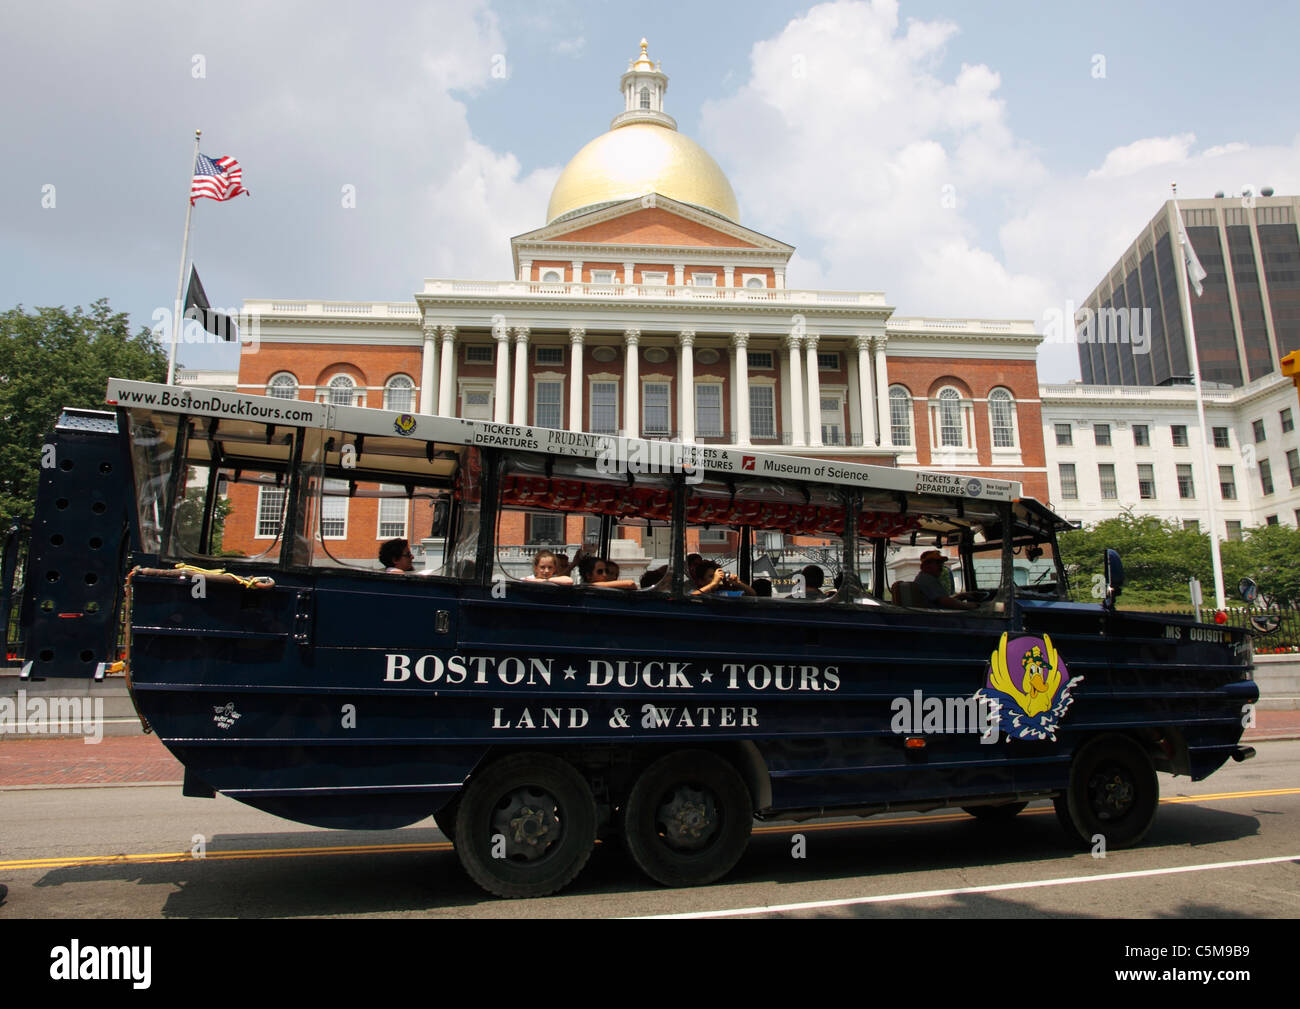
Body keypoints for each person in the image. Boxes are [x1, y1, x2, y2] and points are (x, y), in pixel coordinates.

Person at [913, 550, 980, 610]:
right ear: (926, 565)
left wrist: (961, 596)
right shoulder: (927, 579)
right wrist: (972, 606)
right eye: (938, 562)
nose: (941, 566)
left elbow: (942, 600)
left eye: (942, 563)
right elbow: (946, 602)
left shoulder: (924, 578)